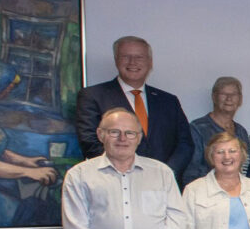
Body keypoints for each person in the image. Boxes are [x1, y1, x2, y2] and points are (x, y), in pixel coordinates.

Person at [74, 36, 191, 179]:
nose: (132, 62)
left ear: (150, 62)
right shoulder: (92, 96)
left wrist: (167, 173)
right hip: (115, 181)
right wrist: (126, 171)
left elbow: (185, 144)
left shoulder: (169, 101)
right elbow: (90, 142)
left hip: (163, 184)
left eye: (139, 57)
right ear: (116, 60)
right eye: (126, 56)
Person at [0, 60, 58, 227]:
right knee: (44, 210)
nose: (11, 89)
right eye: (10, 85)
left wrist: (25, 161)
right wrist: (29, 173)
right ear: (1, 87)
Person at [182, 76, 248, 186]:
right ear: (214, 97)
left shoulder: (241, 131)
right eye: (223, 94)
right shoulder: (197, 128)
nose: (229, 98)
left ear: (240, 99)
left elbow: (247, 168)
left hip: (240, 193)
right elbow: (192, 172)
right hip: (209, 196)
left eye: (234, 94)